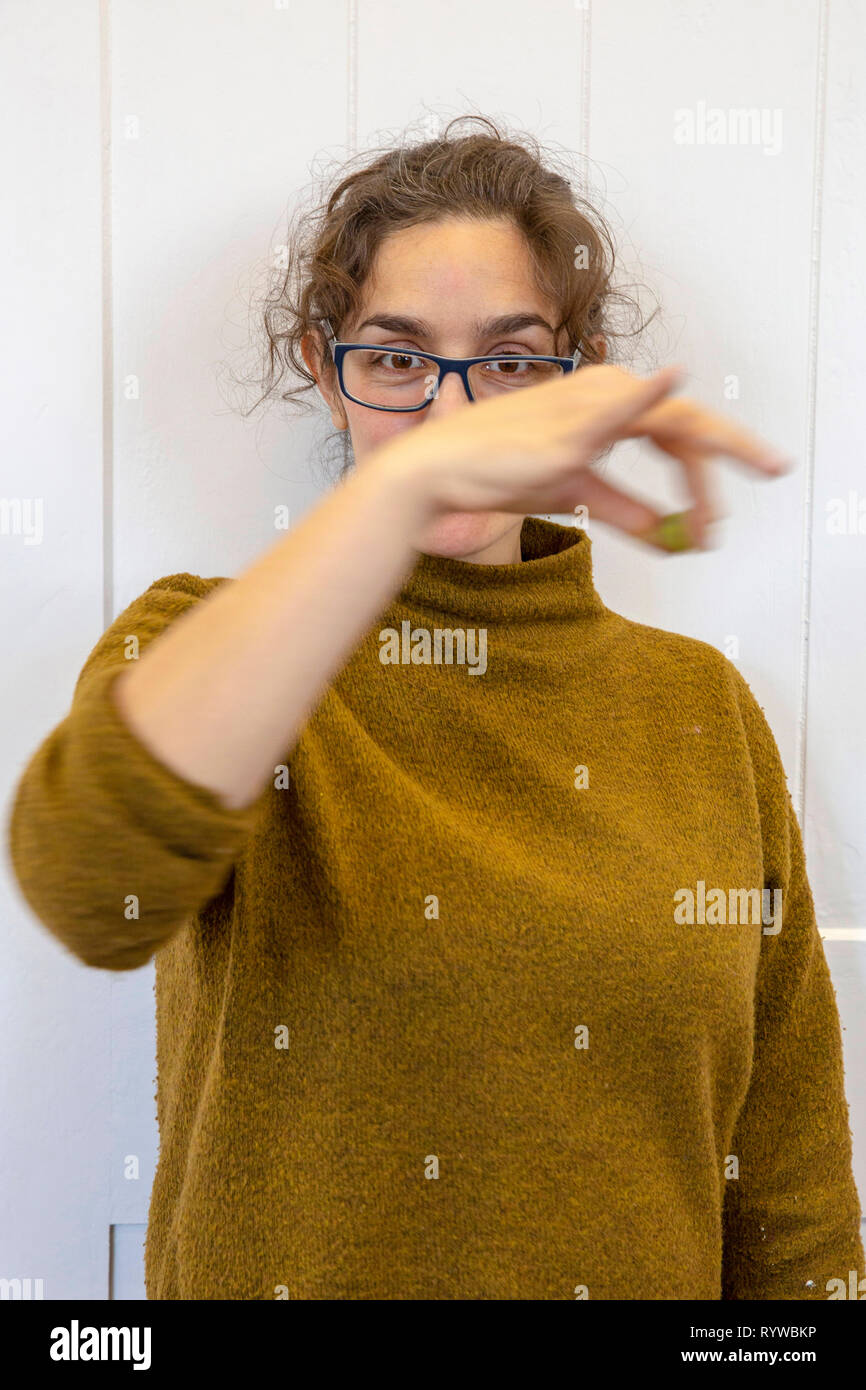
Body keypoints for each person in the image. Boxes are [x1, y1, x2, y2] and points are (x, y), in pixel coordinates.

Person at [8, 116, 862, 1300]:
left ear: (580, 377)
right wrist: (396, 493)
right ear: (324, 367)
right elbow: (91, 885)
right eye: (397, 360)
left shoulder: (698, 707)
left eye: (508, 363)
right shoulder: (209, 641)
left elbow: (787, 1180)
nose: (455, 422)